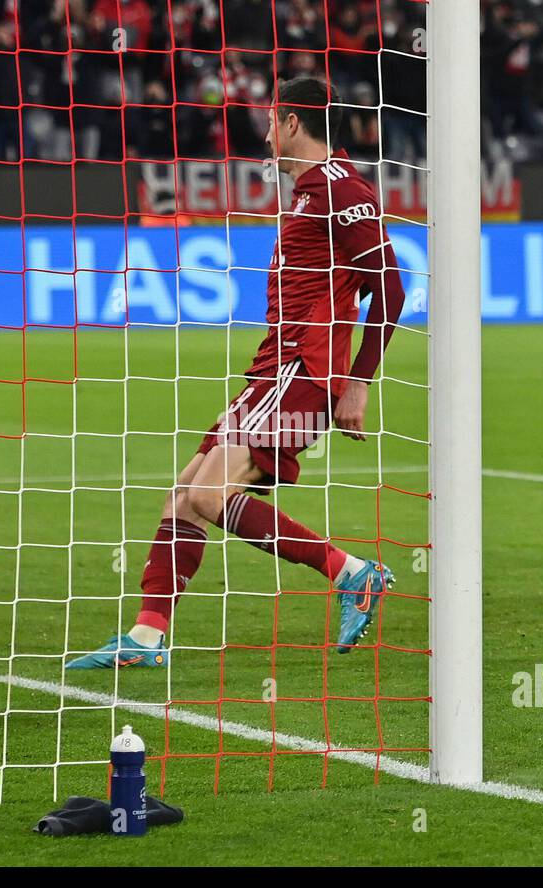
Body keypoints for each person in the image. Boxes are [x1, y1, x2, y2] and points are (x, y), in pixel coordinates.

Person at [68, 77, 405, 669]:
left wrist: (358, 382)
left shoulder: (341, 190)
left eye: (273, 122)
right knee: (183, 496)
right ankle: (146, 639)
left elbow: (392, 291)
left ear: (294, 122)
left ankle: (352, 573)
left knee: (206, 492)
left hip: (305, 370)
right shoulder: (305, 191)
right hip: (273, 368)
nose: (267, 134)